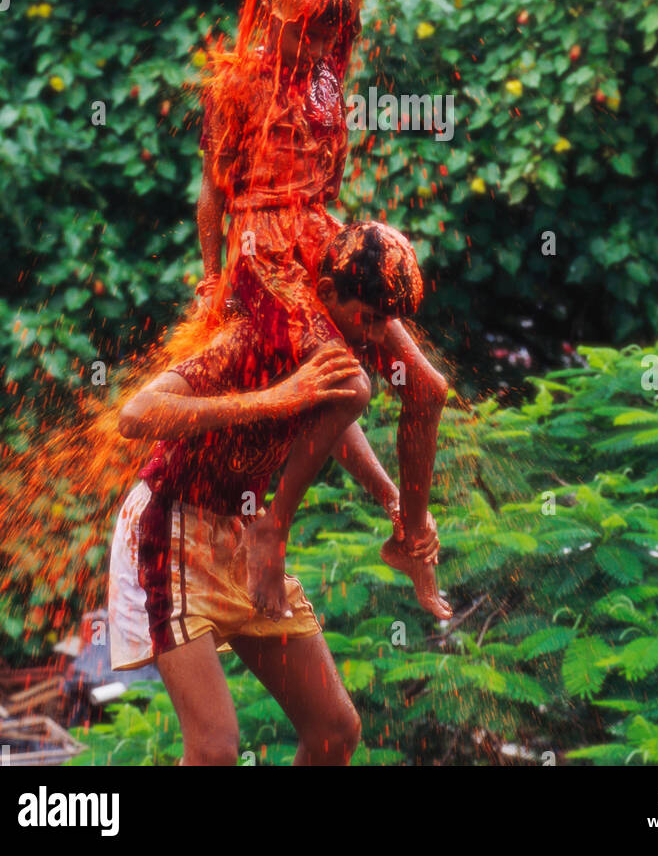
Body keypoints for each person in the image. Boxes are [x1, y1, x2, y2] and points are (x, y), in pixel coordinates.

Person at [193, 0, 451, 619]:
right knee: (345, 389)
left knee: (427, 387)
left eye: (330, 27)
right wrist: (209, 282)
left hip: (326, 239)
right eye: (309, 28)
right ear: (276, 17)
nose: (320, 42)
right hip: (265, 248)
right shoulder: (235, 83)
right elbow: (209, 199)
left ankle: (410, 535)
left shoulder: (331, 56)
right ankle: (271, 529)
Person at [110, 223, 440, 767]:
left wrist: (390, 497)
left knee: (335, 730)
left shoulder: (328, 349)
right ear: (328, 293)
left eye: (389, 322)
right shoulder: (256, 335)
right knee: (215, 750)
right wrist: (276, 397)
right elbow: (135, 415)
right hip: (169, 529)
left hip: (241, 532)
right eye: (370, 318)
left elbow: (328, 415)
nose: (379, 336)